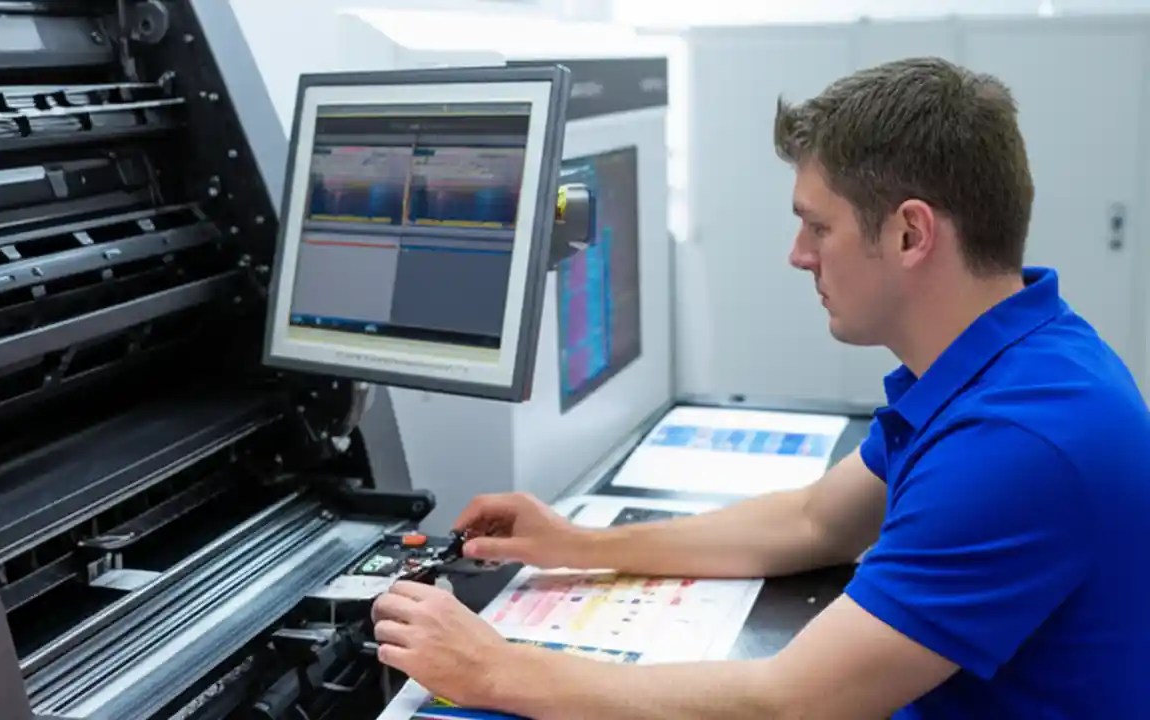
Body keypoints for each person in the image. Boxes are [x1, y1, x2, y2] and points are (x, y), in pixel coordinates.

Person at [369, 57, 1150, 719]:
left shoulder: (1019, 441)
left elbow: (790, 702)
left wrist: (495, 669)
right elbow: (814, 522)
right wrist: (577, 546)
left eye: (819, 226)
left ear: (911, 234)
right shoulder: (1007, 361)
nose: (798, 255)